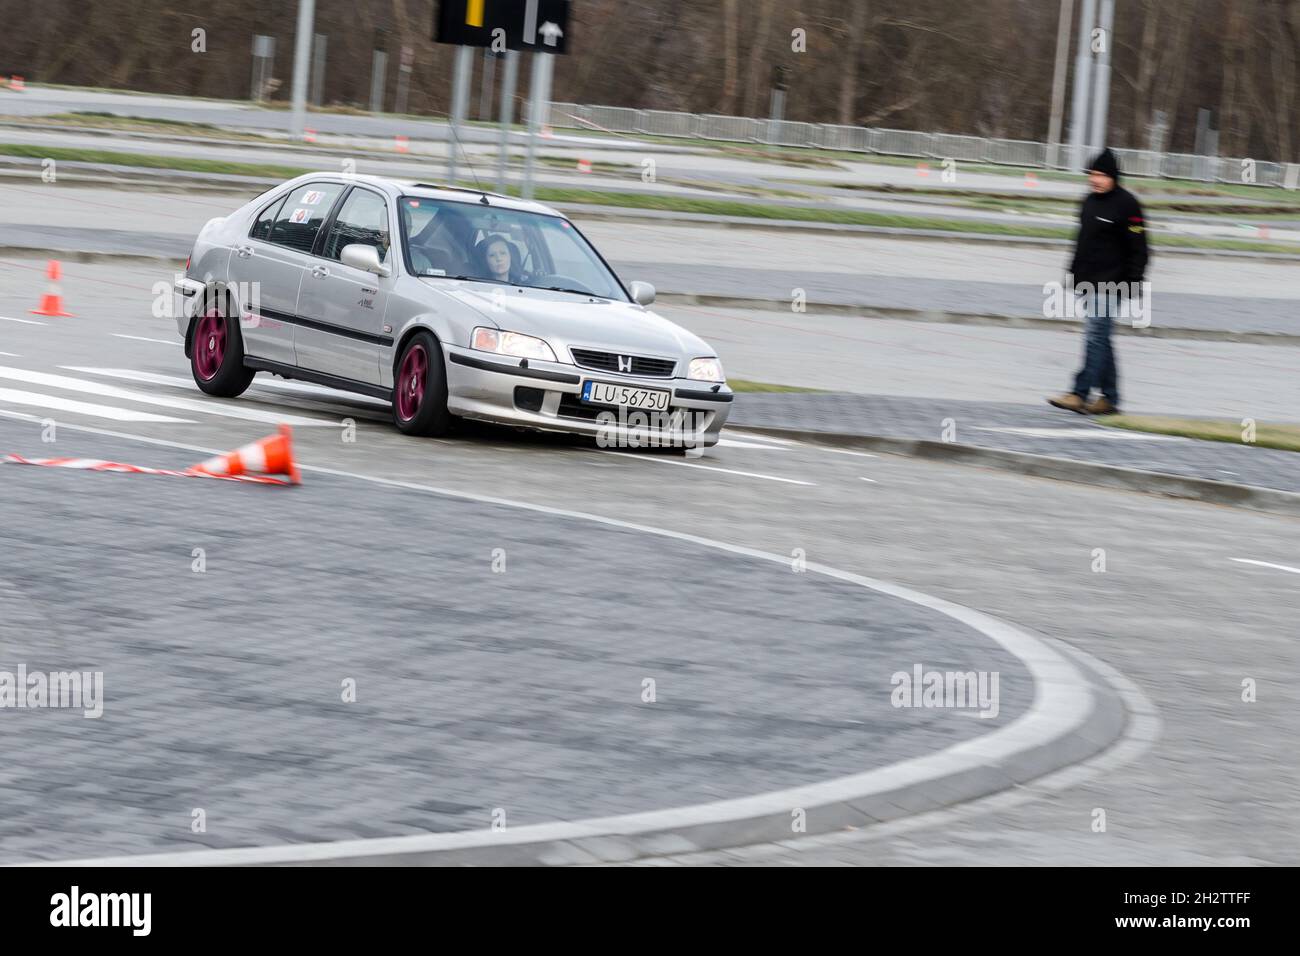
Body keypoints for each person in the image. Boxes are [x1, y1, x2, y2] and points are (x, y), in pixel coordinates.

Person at [1048, 147, 1148, 415]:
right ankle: (1109, 398)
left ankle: (1079, 394)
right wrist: (1073, 274)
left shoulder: (1128, 205)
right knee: (1101, 339)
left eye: (1101, 175)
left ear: (1113, 177)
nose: (1095, 179)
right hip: (1087, 280)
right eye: (1092, 174)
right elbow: (1082, 242)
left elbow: (1140, 248)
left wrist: (1133, 282)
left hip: (1112, 282)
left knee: (1094, 337)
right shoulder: (1088, 201)